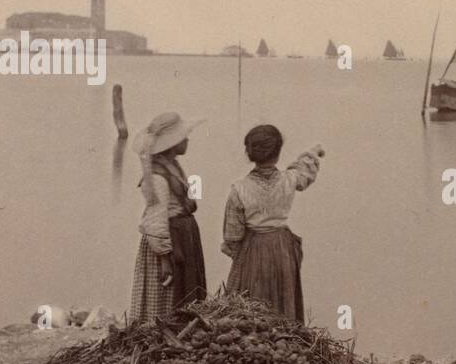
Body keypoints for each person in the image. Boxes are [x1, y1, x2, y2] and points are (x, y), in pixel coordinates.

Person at [222, 125, 323, 320]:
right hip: (282, 248)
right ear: (278, 154)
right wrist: (312, 153)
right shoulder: (290, 179)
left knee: (251, 302)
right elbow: (303, 172)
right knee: (282, 298)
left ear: (249, 152)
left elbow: (232, 236)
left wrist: (239, 254)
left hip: (253, 249)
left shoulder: (239, 189)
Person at [129, 112, 207, 324]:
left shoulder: (171, 166)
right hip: (168, 242)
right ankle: (162, 330)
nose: (188, 139)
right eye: (184, 136)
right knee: (167, 290)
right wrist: (165, 257)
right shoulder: (157, 176)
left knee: (184, 290)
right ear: (173, 144)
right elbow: (155, 218)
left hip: (181, 234)